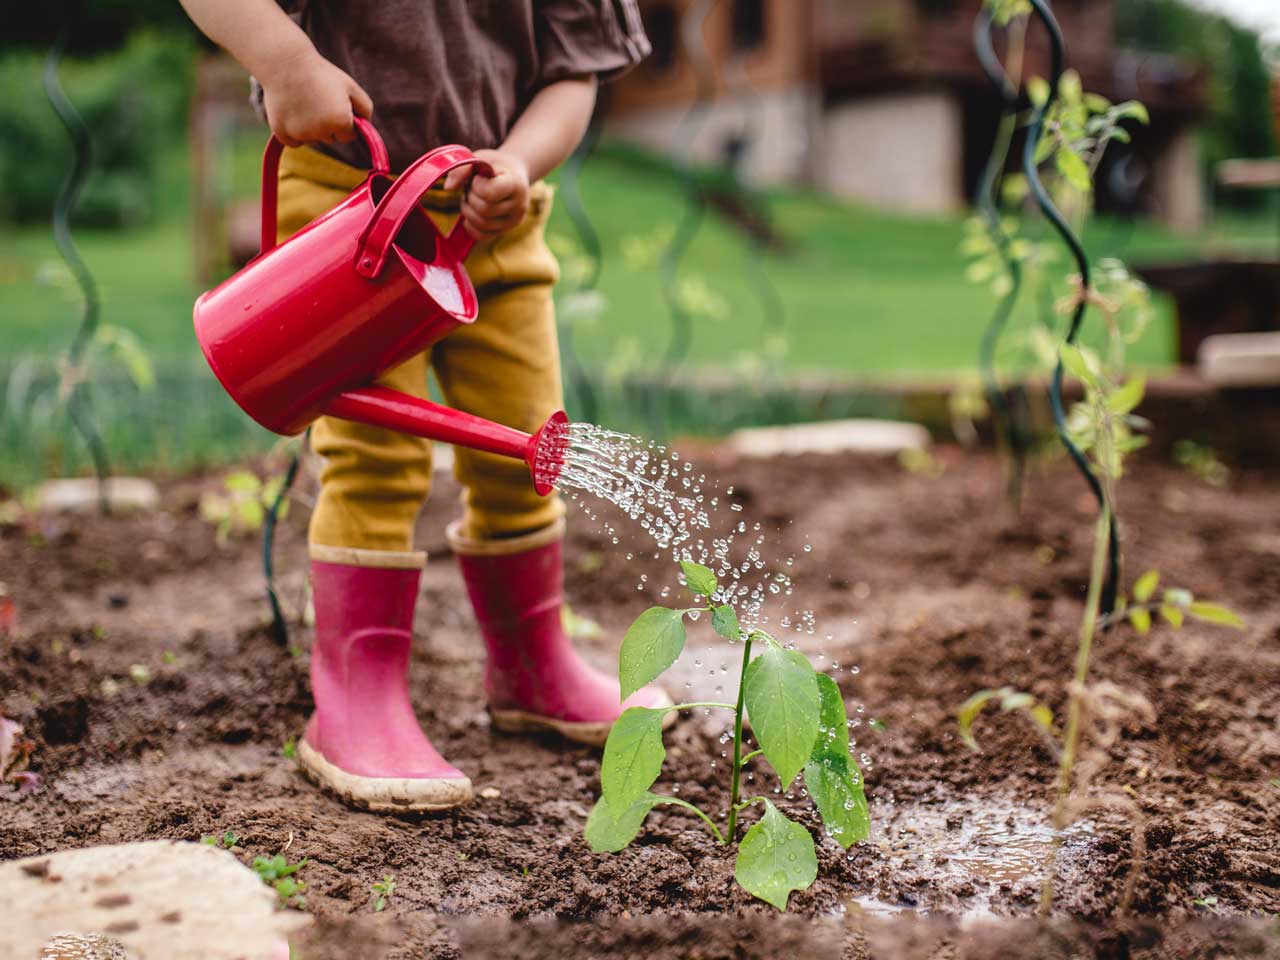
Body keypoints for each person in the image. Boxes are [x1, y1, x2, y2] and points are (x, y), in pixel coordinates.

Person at [179, 0, 671, 813]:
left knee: (527, 448)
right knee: (377, 462)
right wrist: (288, 64)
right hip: (349, 208)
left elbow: (573, 73)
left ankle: (532, 662)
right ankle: (355, 697)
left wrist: (518, 160)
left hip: (496, 221)